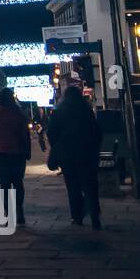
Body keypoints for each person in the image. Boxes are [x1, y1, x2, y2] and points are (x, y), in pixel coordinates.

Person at [47, 86, 102, 229]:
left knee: (73, 187)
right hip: (87, 153)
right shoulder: (86, 110)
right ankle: (95, 216)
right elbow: (96, 131)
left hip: (68, 154)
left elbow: (52, 133)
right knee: (90, 186)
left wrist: (58, 149)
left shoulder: (59, 112)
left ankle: (77, 216)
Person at [0, 87, 32, 224]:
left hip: (0, 153)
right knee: (18, 182)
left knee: (4, 185)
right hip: (17, 153)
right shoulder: (19, 114)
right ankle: (19, 210)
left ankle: (8, 214)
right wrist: (27, 152)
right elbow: (25, 136)